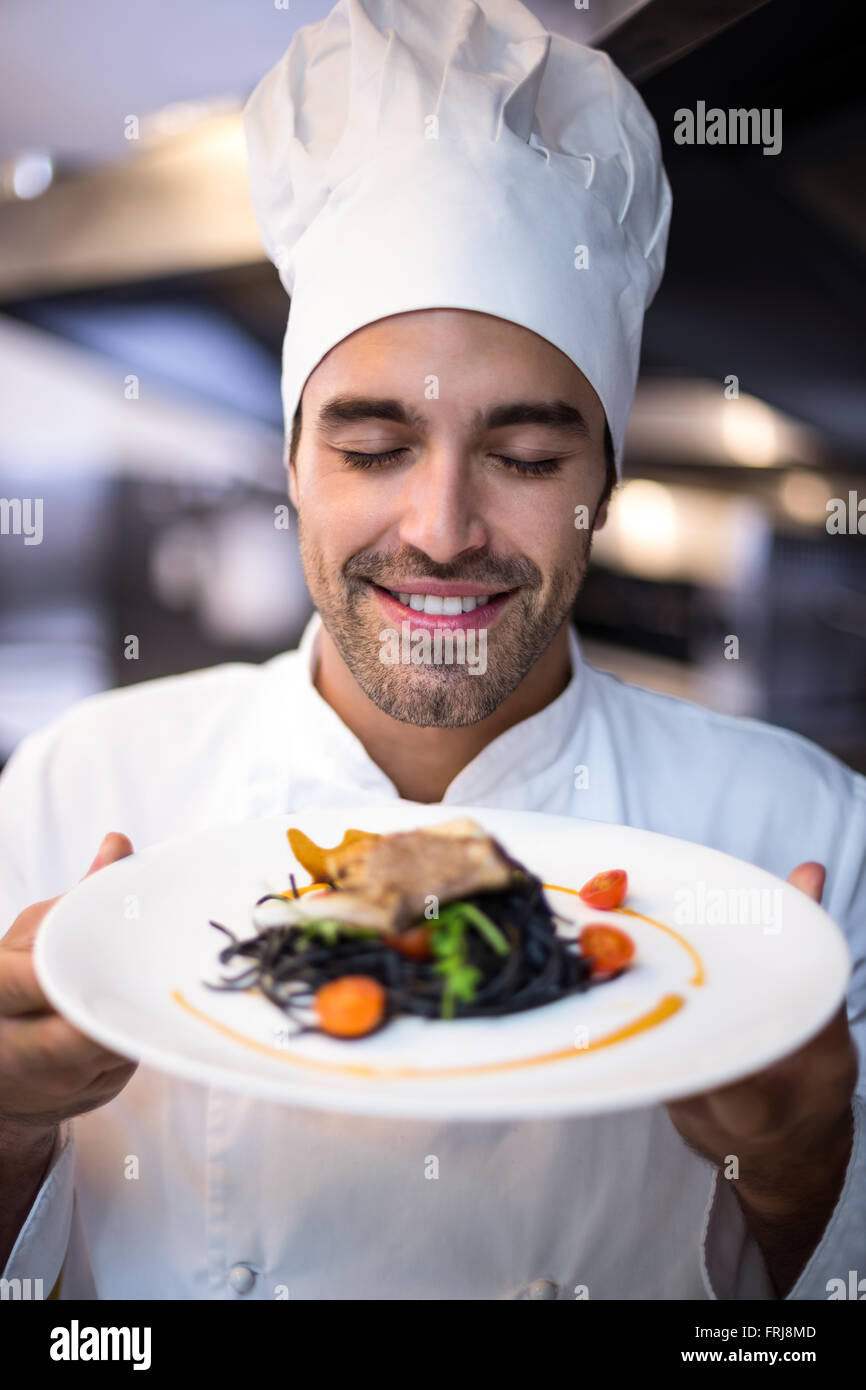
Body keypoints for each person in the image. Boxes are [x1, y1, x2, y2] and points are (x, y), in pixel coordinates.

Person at [1, 0, 863, 1302]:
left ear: (605, 482)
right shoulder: (80, 789)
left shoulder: (799, 831)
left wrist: (803, 1174)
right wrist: (9, 1131)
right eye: (370, 447)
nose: (442, 527)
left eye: (523, 455)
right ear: (290, 464)